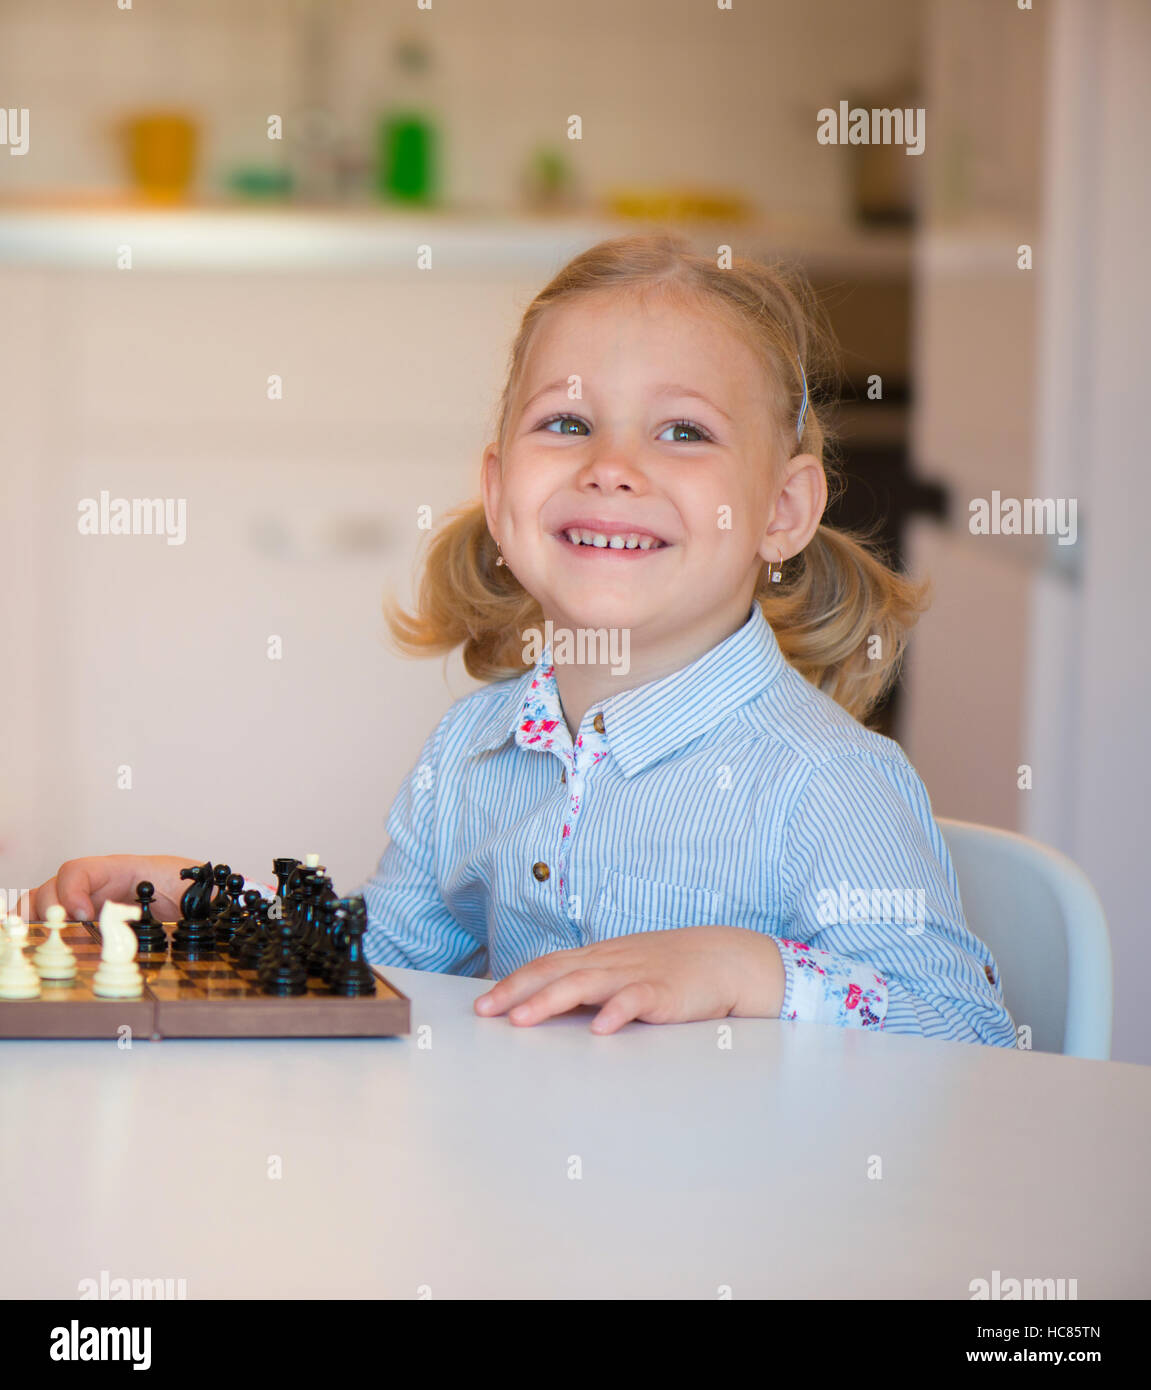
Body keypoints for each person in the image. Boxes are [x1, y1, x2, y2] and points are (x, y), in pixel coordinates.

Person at [17, 232, 1017, 1047]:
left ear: (783, 511)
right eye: (567, 423)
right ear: (499, 497)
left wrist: (746, 968)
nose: (613, 467)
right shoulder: (471, 752)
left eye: (682, 432)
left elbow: (963, 1029)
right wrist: (210, 902)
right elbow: (390, 955)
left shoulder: (825, 780)